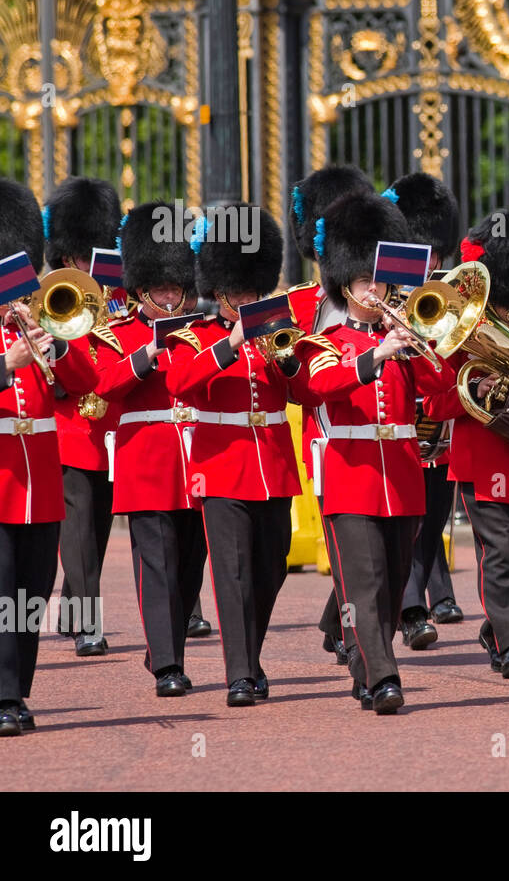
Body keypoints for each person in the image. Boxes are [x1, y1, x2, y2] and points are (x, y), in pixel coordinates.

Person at [296, 191, 442, 714]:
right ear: (345, 284)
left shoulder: (404, 340)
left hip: (402, 477)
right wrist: (376, 354)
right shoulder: (325, 340)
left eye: (377, 280)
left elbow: (442, 391)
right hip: (348, 475)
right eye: (362, 281)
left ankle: (364, 668)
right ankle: (383, 677)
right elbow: (322, 385)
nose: (372, 289)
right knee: (363, 583)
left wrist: (423, 345)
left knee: (392, 585)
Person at [166, 205, 312, 706]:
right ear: (218, 291)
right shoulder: (196, 336)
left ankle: (251, 653)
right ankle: (241, 674)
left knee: (271, 565)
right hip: (221, 465)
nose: (246, 301)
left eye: (252, 292)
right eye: (237, 294)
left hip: (271, 464)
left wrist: (290, 361)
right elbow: (180, 383)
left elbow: (299, 394)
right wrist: (229, 343)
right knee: (231, 571)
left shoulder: (277, 332)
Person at [425, 212, 509, 676]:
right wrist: (474, 392)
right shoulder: (461, 329)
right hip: (484, 457)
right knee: (501, 551)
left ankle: (497, 627)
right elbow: (434, 403)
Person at [92, 202, 208, 698]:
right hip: (146, 460)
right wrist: (145, 357)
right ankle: (167, 665)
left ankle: (166, 644)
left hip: (197, 462)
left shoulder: (202, 332)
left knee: (190, 566)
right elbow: (101, 386)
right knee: (156, 565)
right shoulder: (117, 335)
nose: (169, 295)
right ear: (141, 289)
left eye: (176, 287)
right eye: (161, 288)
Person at [0, 178, 98, 735]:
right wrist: (11, 362)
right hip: (1, 478)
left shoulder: (38, 319)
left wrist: (52, 343)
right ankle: (4, 695)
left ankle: (19, 691)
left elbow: (89, 383)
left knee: (31, 596)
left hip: (39, 478)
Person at [288, 164, 376, 666]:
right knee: (341, 535)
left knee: (366, 550)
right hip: (326, 434)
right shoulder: (303, 304)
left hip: (382, 433)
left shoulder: (388, 300)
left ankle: (341, 624)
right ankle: (351, 632)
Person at [44, 177, 122, 656]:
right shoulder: (50, 294)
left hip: (110, 427)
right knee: (77, 530)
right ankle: (89, 622)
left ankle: (74, 606)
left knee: (98, 526)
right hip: (70, 426)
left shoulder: (117, 293)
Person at [386, 172, 466, 644]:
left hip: (437, 429)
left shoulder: (447, 296)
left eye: (435, 254)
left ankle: (338, 620)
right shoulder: (384, 298)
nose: (429, 261)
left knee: (430, 522)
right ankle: (414, 613)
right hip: (396, 427)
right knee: (403, 527)